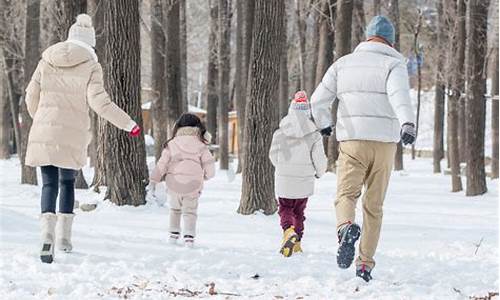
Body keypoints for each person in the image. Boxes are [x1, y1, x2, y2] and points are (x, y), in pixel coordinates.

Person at [24, 14, 142, 264]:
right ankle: (64, 239)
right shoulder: (91, 64)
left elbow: (30, 94)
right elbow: (100, 102)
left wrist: (41, 119)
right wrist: (129, 124)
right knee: (67, 183)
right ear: (89, 44)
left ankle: (47, 235)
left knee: (48, 183)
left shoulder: (46, 60)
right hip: (73, 132)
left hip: (44, 131)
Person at [310, 16, 416, 281]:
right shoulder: (395, 64)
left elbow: (317, 100)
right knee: (374, 206)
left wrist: (325, 125)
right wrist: (407, 124)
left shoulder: (343, 64)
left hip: (352, 142)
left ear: (367, 37)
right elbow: (399, 95)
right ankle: (365, 264)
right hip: (384, 146)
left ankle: (345, 227)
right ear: (390, 40)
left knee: (346, 195)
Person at [269, 91, 327, 257]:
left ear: (291, 110)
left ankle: (288, 231)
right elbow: (319, 159)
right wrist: (319, 173)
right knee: (299, 212)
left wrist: (281, 167)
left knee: (285, 208)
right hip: (304, 180)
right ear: (307, 111)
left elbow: (273, 155)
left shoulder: (279, 133)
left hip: (284, 179)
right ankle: (298, 242)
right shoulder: (314, 135)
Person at [149, 113, 215, 247]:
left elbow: (162, 164)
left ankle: (173, 235)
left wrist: (154, 180)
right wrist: (206, 176)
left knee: (175, 210)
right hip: (193, 185)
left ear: (179, 126)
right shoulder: (201, 145)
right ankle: (189, 238)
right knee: (190, 211)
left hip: (174, 185)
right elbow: (210, 166)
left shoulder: (171, 143)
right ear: (198, 127)